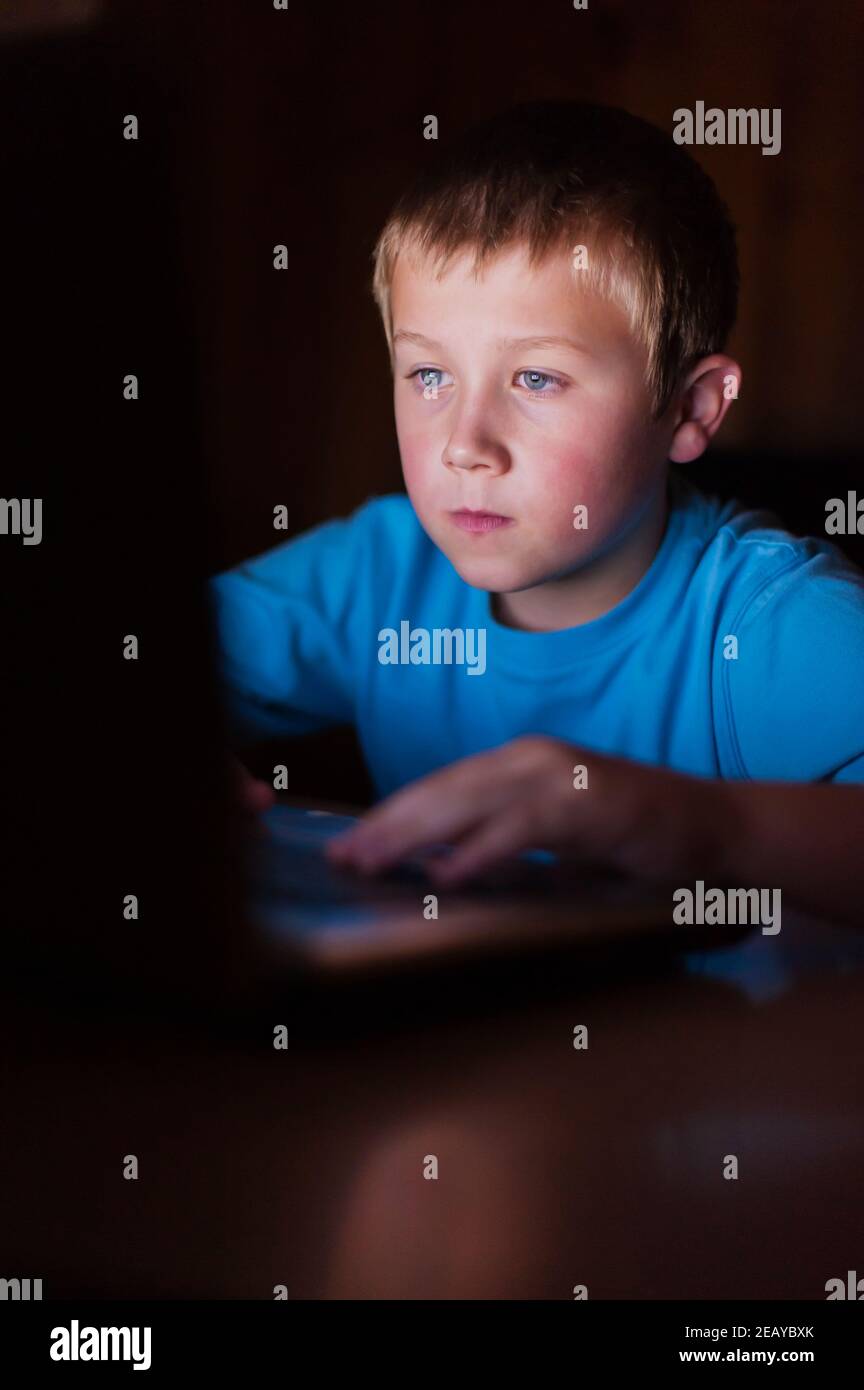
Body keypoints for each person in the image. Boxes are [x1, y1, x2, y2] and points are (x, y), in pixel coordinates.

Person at [211, 100, 864, 926]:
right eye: (429, 377)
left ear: (691, 408)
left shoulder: (769, 622)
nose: (465, 445)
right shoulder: (378, 574)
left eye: (536, 379)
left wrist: (702, 826)